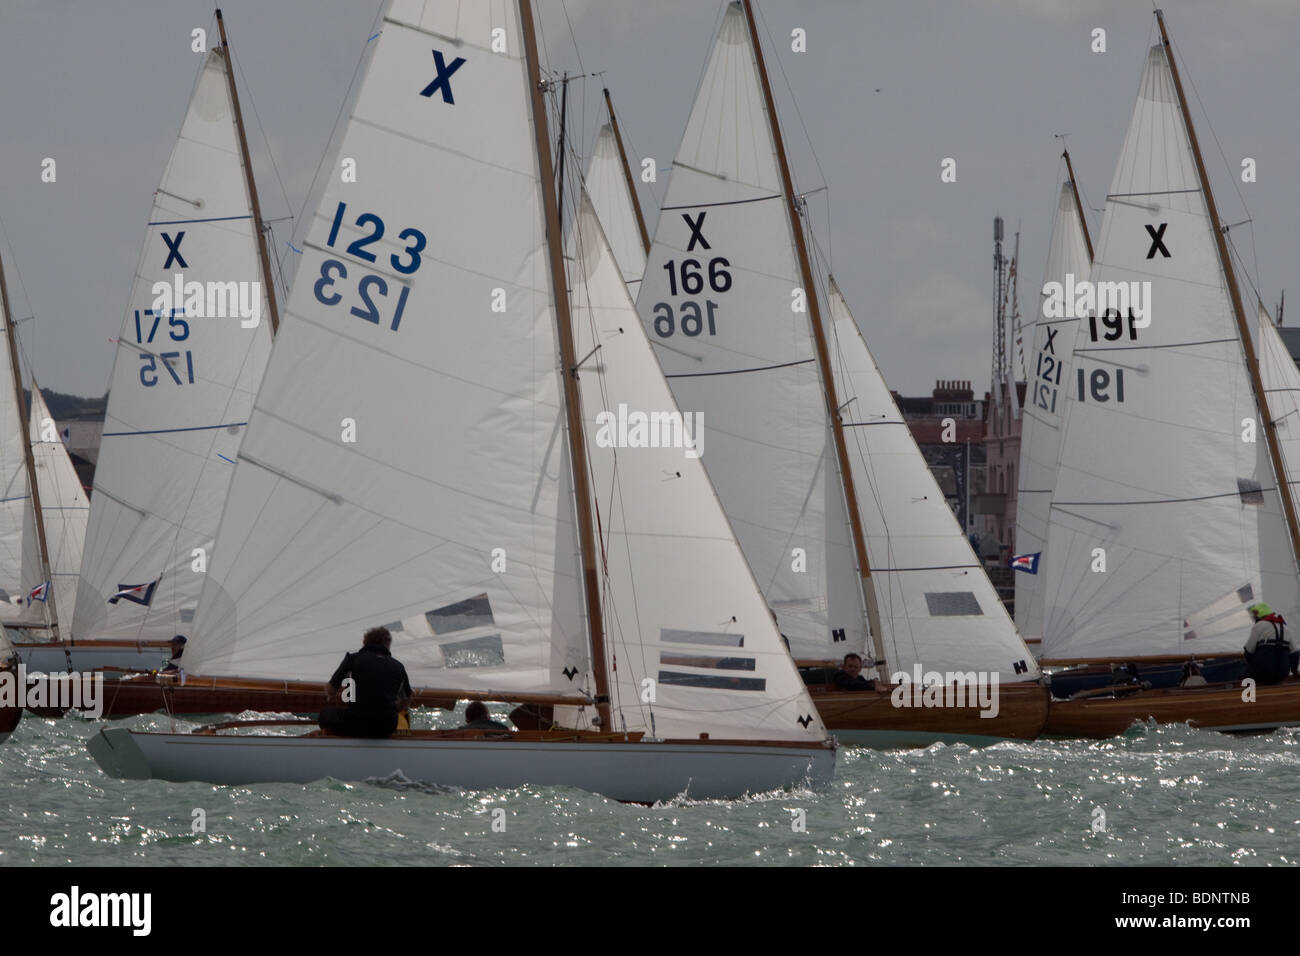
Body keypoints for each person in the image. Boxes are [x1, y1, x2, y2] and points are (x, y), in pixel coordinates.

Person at [318, 626, 412, 738]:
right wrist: (395, 707)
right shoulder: (398, 666)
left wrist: (332, 694)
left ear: (364, 642)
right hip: (386, 726)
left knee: (325, 714)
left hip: (357, 723)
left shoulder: (352, 660)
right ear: (387, 644)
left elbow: (330, 690)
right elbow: (407, 699)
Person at [1244, 602, 1298, 685]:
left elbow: (1249, 650)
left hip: (1263, 673)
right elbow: (1295, 654)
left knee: (1243, 675)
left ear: (1261, 613)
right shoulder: (1285, 627)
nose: (1254, 616)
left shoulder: (1259, 625)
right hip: (1282, 674)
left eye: (1255, 613)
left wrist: (1250, 664)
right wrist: (1294, 671)